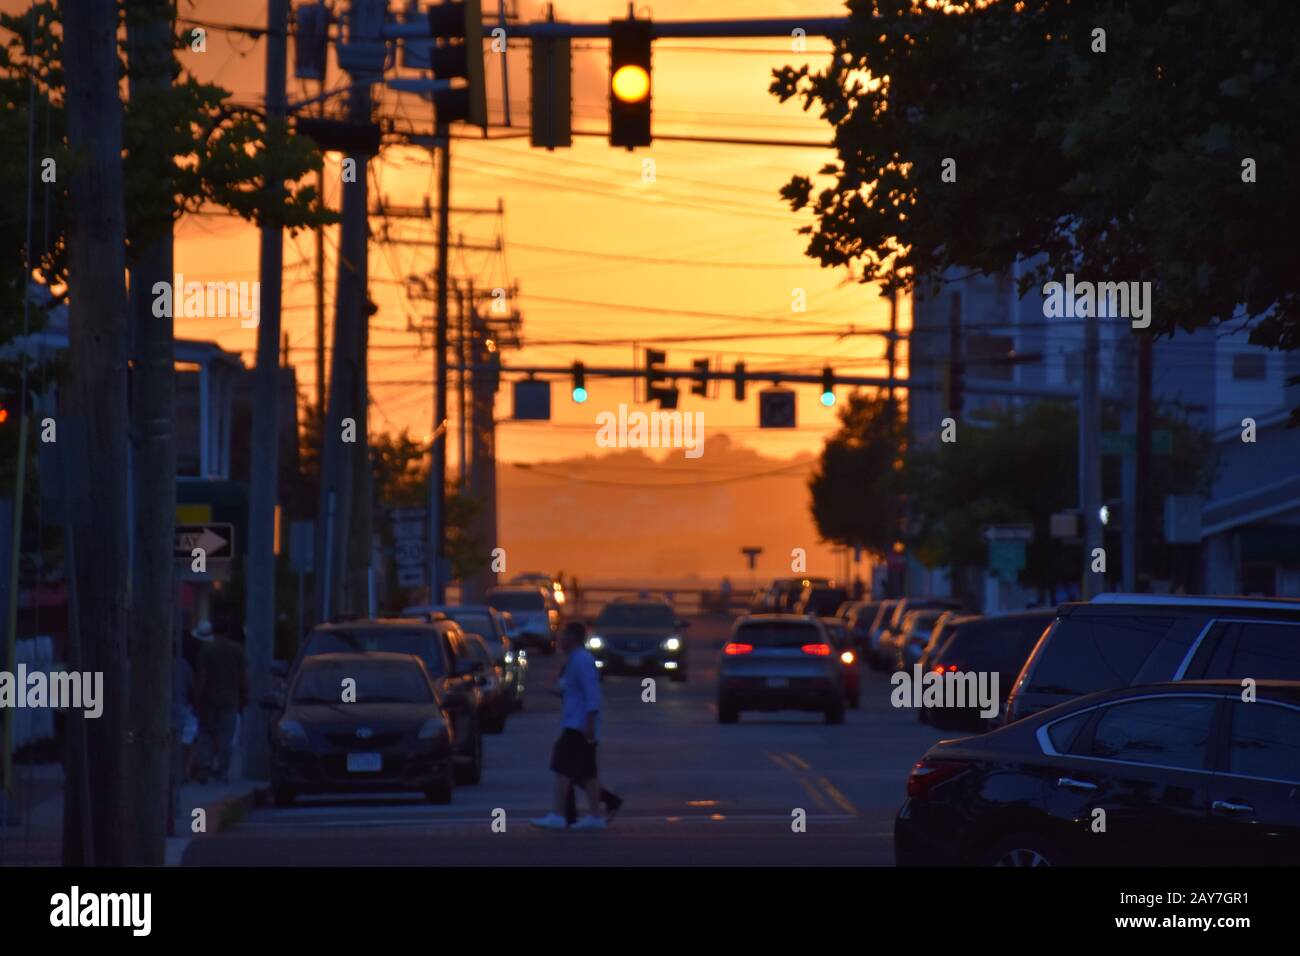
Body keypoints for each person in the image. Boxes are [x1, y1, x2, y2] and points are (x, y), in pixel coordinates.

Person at [531, 621, 622, 831]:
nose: (561, 640)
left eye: (564, 636)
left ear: (573, 638)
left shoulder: (582, 660)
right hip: (576, 723)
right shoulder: (575, 660)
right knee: (588, 774)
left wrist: (589, 723)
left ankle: (558, 814)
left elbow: (592, 693)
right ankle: (596, 816)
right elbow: (574, 690)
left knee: (562, 768)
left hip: (578, 726)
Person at [192, 620, 249, 785]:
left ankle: (205, 767)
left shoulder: (206, 650)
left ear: (213, 632)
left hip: (208, 700)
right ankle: (222, 772)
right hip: (230, 700)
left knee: (206, 734)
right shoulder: (237, 650)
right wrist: (245, 695)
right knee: (226, 737)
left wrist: (197, 699)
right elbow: (243, 677)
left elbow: (201, 677)